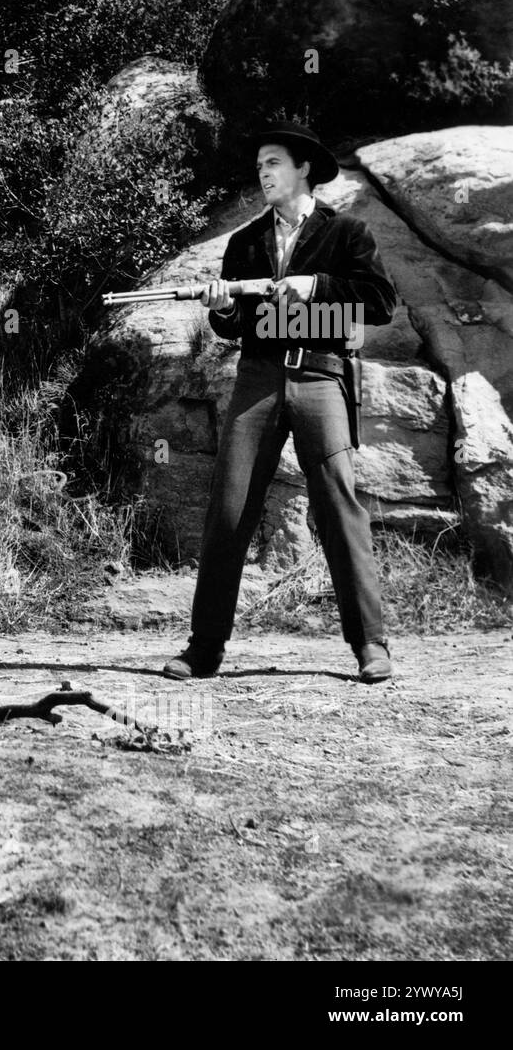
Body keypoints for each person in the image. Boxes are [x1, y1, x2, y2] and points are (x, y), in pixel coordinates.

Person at [163, 121, 397, 684]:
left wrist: (314, 286)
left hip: (320, 377)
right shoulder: (245, 242)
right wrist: (221, 307)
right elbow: (236, 324)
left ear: (304, 169)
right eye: (260, 165)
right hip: (258, 379)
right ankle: (205, 649)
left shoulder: (347, 233)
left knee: (339, 506)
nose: (263, 172)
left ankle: (370, 644)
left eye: (273, 162)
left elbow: (380, 302)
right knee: (229, 508)